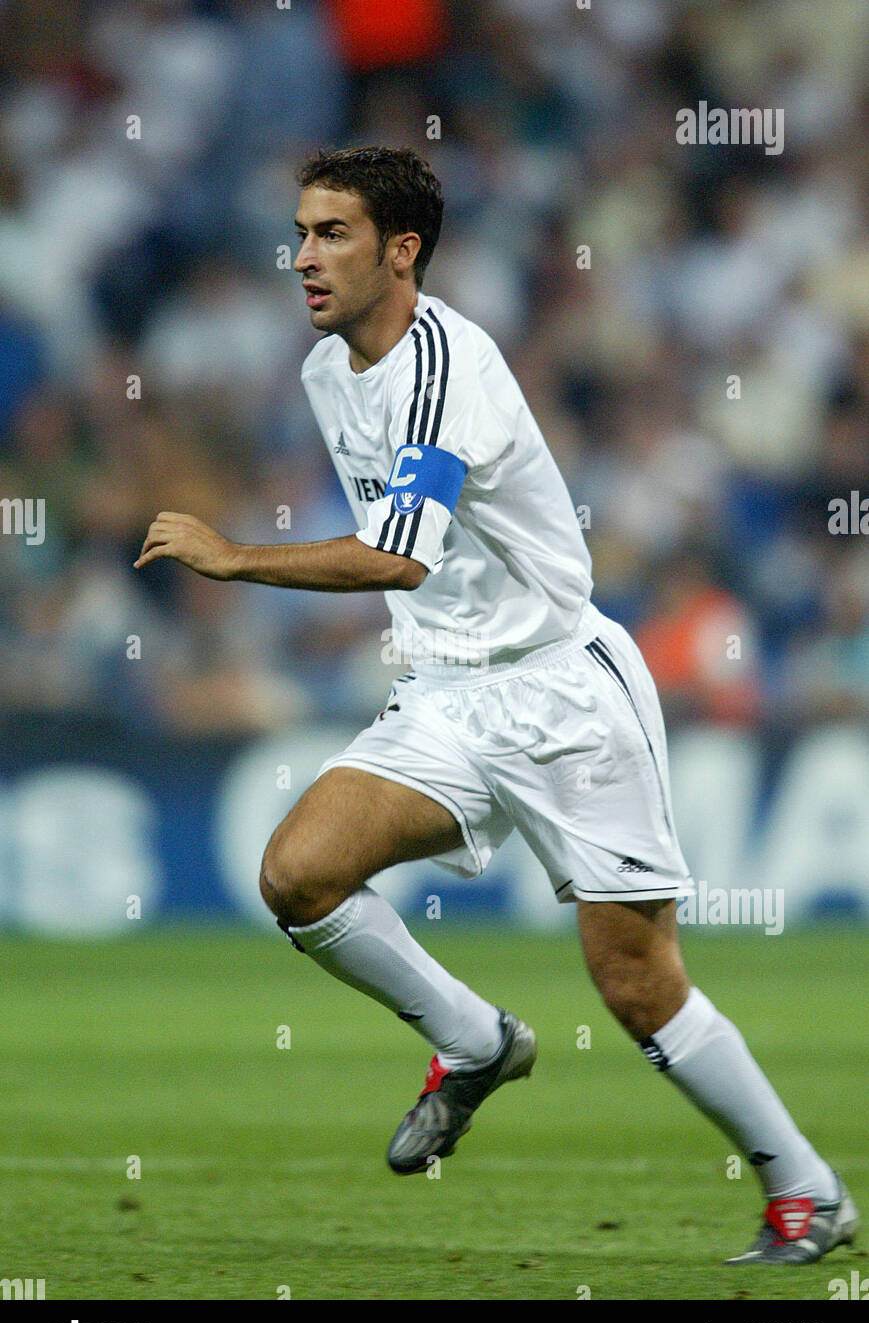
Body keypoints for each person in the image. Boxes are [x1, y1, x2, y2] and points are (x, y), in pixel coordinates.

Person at [136, 145, 857, 1265]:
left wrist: (233, 560)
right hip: (444, 697)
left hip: (564, 692)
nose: (303, 257)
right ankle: (473, 1042)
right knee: (297, 873)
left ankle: (803, 1189)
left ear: (401, 250)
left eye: (331, 234)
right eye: (300, 232)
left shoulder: (445, 367)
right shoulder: (326, 374)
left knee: (633, 981)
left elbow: (394, 557)